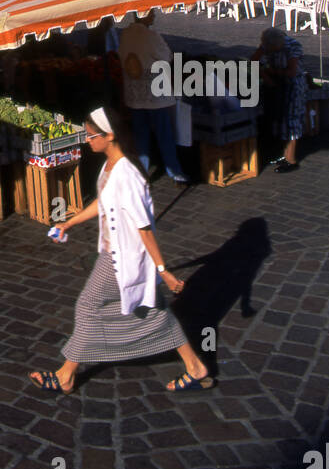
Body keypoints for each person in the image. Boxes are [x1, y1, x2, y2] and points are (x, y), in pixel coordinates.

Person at [28, 107, 212, 395]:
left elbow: (144, 228)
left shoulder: (126, 174)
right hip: (113, 253)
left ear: (110, 135)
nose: (87, 140)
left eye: (92, 136)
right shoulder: (109, 166)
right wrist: (69, 223)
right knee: (153, 310)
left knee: (88, 305)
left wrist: (163, 272)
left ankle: (66, 375)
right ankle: (195, 366)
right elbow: (103, 202)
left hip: (122, 258)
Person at [118, 9, 188, 183]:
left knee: (141, 137)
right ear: (145, 15)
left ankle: (142, 173)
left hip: (134, 94)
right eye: (152, 13)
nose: (155, 16)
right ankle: (174, 172)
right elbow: (166, 56)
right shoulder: (150, 35)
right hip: (155, 95)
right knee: (165, 134)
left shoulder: (125, 34)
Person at [251, 27, 307, 173]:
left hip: (293, 86)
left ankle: (291, 160)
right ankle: (283, 154)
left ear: (278, 44)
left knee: (291, 121)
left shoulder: (293, 47)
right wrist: (265, 76)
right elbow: (254, 60)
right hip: (277, 85)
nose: (270, 52)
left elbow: (292, 72)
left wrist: (271, 71)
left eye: (273, 49)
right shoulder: (267, 44)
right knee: (280, 120)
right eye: (268, 49)